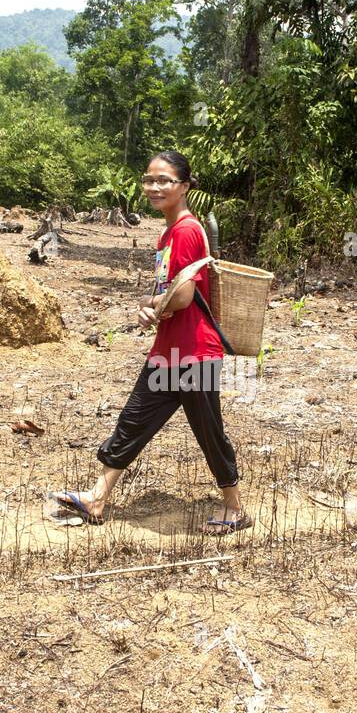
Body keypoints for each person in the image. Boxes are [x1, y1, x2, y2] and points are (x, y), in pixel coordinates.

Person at [48, 150, 250, 535]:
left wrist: (155, 308)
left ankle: (234, 508)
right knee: (134, 421)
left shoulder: (188, 230)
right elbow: (169, 290)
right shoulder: (168, 233)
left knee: (208, 429)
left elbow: (185, 295)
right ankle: (97, 497)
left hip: (193, 351)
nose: (154, 187)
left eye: (164, 181)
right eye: (149, 180)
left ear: (185, 186)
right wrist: (151, 306)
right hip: (170, 349)